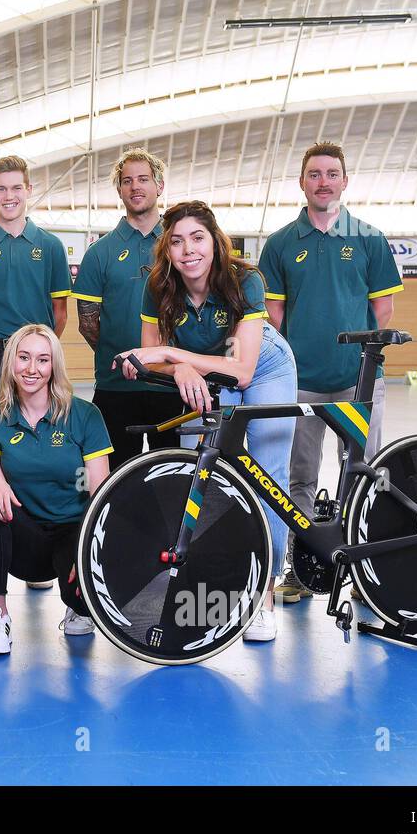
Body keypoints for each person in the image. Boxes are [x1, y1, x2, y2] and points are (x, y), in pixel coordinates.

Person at [116, 200, 297, 642]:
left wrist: (174, 355)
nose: (188, 249)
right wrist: (177, 368)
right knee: (199, 469)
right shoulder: (158, 284)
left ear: (215, 242)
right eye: (176, 241)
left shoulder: (245, 279)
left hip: (262, 366)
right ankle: (205, 574)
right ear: (167, 250)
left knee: (266, 474)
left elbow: (242, 371)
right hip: (201, 369)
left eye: (197, 238)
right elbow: (149, 356)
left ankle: (266, 594)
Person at [259, 141, 402, 604]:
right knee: (298, 478)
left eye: (332, 173)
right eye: (315, 174)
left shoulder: (370, 239)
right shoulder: (281, 244)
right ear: (302, 182)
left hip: (359, 383)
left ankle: (364, 571)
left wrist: (367, 365)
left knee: (363, 473)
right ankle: (299, 569)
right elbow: (272, 318)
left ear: (344, 180)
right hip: (299, 383)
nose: (324, 181)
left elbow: (382, 308)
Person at [0, 155, 71, 591]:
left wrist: (35, 352)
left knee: (39, 444)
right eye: (0, 188)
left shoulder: (51, 246)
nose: (8, 196)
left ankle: (37, 543)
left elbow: (59, 313)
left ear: (28, 190)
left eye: (16, 188)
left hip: (35, 351)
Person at [0, 324, 113, 655]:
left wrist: (90, 549)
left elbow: (100, 493)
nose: (31, 369)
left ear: (54, 367)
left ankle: (77, 605)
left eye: (42, 360)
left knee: (85, 601)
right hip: (25, 536)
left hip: (72, 533)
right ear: (11, 362)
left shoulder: (85, 415)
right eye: (23, 358)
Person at [72, 148, 184, 469]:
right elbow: (87, 323)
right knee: (119, 479)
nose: (135, 187)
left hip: (171, 384)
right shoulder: (99, 252)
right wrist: (122, 356)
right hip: (116, 387)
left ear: (159, 187)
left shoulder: (181, 244)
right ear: (119, 190)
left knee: (173, 476)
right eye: (127, 181)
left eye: (143, 179)